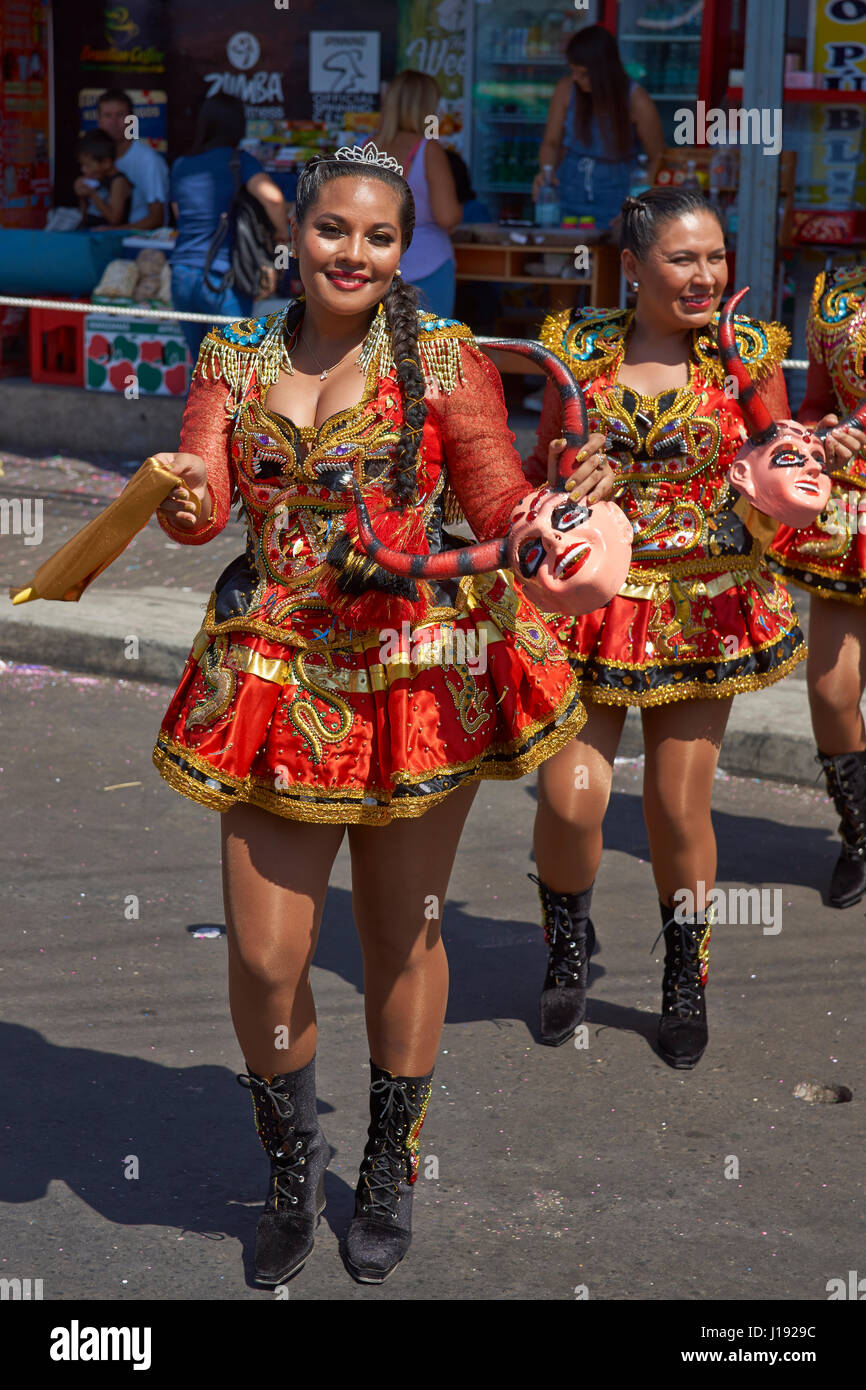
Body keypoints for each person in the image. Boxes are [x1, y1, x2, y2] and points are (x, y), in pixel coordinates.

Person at [149, 144, 612, 1287]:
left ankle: (391, 1161)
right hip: (269, 677)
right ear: (296, 234)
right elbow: (199, 516)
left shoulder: (443, 360)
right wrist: (185, 496)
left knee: (399, 935)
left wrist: (559, 504)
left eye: (377, 236)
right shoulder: (232, 357)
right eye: (332, 231)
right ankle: (290, 1162)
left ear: (402, 250)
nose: (352, 253)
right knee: (265, 959)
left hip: (412, 671)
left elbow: (497, 499)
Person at [522, 188, 800, 1069]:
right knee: (572, 800)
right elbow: (536, 474)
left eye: (716, 257)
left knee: (679, 808)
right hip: (591, 605)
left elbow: (780, 469)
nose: (705, 276)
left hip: (703, 609)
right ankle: (566, 947)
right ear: (633, 266)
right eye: (683, 260)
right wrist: (570, 480)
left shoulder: (743, 353)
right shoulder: (576, 352)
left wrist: (789, 478)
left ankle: (687, 971)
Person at [767, 263, 866, 907]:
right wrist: (823, 436)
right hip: (851, 514)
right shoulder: (835, 292)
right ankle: (859, 831)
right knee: (832, 691)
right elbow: (816, 400)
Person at [169, 93, 289, 363]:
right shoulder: (239, 161)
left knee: (201, 368)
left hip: (181, 277)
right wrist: (282, 236)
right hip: (222, 280)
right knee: (232, 369)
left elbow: (179, 214)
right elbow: (274, 199)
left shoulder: (181, 165)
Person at [533, 25, 665, 229]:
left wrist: (637, 204)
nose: (576, 78)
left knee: (610, 256)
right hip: (568, 191)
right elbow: (550, 143)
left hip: (617, 198)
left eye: (583, 74)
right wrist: (546, 174)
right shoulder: (566, 89)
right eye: (573, 71)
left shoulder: (637, 100)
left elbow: (657, 156)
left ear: (604, 71)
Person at [365, 70, 462, 318]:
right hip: (428, 263)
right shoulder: (429, 150)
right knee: (431, 349)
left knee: (375, 349)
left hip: (373, 261)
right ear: (428, 108)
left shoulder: (364, 147)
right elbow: (447, 217)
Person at [96, 88, 169, 231]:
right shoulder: (97, 157)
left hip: (141, 245)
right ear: (99, 121)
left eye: (120, 115)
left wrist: (115, 232)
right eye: (107, 115)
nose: (114, 122)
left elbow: (157, 218)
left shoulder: (148, 160)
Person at [74, 129, 131, 228]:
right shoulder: (98, 179)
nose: (83, 170)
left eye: (88, 166)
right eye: (82, 165)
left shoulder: (118, 182)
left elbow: (114, 219)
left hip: (107, 237)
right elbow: (84, 217)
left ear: (106, 163)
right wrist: (83, 196)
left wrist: (92, 194)